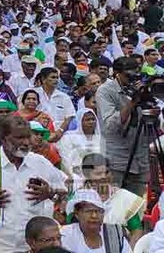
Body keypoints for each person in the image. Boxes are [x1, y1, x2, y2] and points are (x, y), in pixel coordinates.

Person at [0, 115, 68, 253]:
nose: (26, 142)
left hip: (29, 245)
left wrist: (50, 194)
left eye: (28, 137)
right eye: (20, 138)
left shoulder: (40, 162)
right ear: (4, 139)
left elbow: (63, 191)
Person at [95, 57, 157, 195]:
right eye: (128, 75)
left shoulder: (143, 88)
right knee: (115, 205)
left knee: (136, 206)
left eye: (136, 73)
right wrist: (132, 101)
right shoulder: (105, 91)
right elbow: (110, 126)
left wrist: (154, 111)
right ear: (117, 73)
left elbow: (152, 124)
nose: (132, 78)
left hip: (141, 157)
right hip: (117, 159)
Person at [59, 189, 131, 253]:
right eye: (88, 211)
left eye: (98, 211)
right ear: (77, 214)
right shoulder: (65, 234)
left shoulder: (114, 233)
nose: (94, 216)